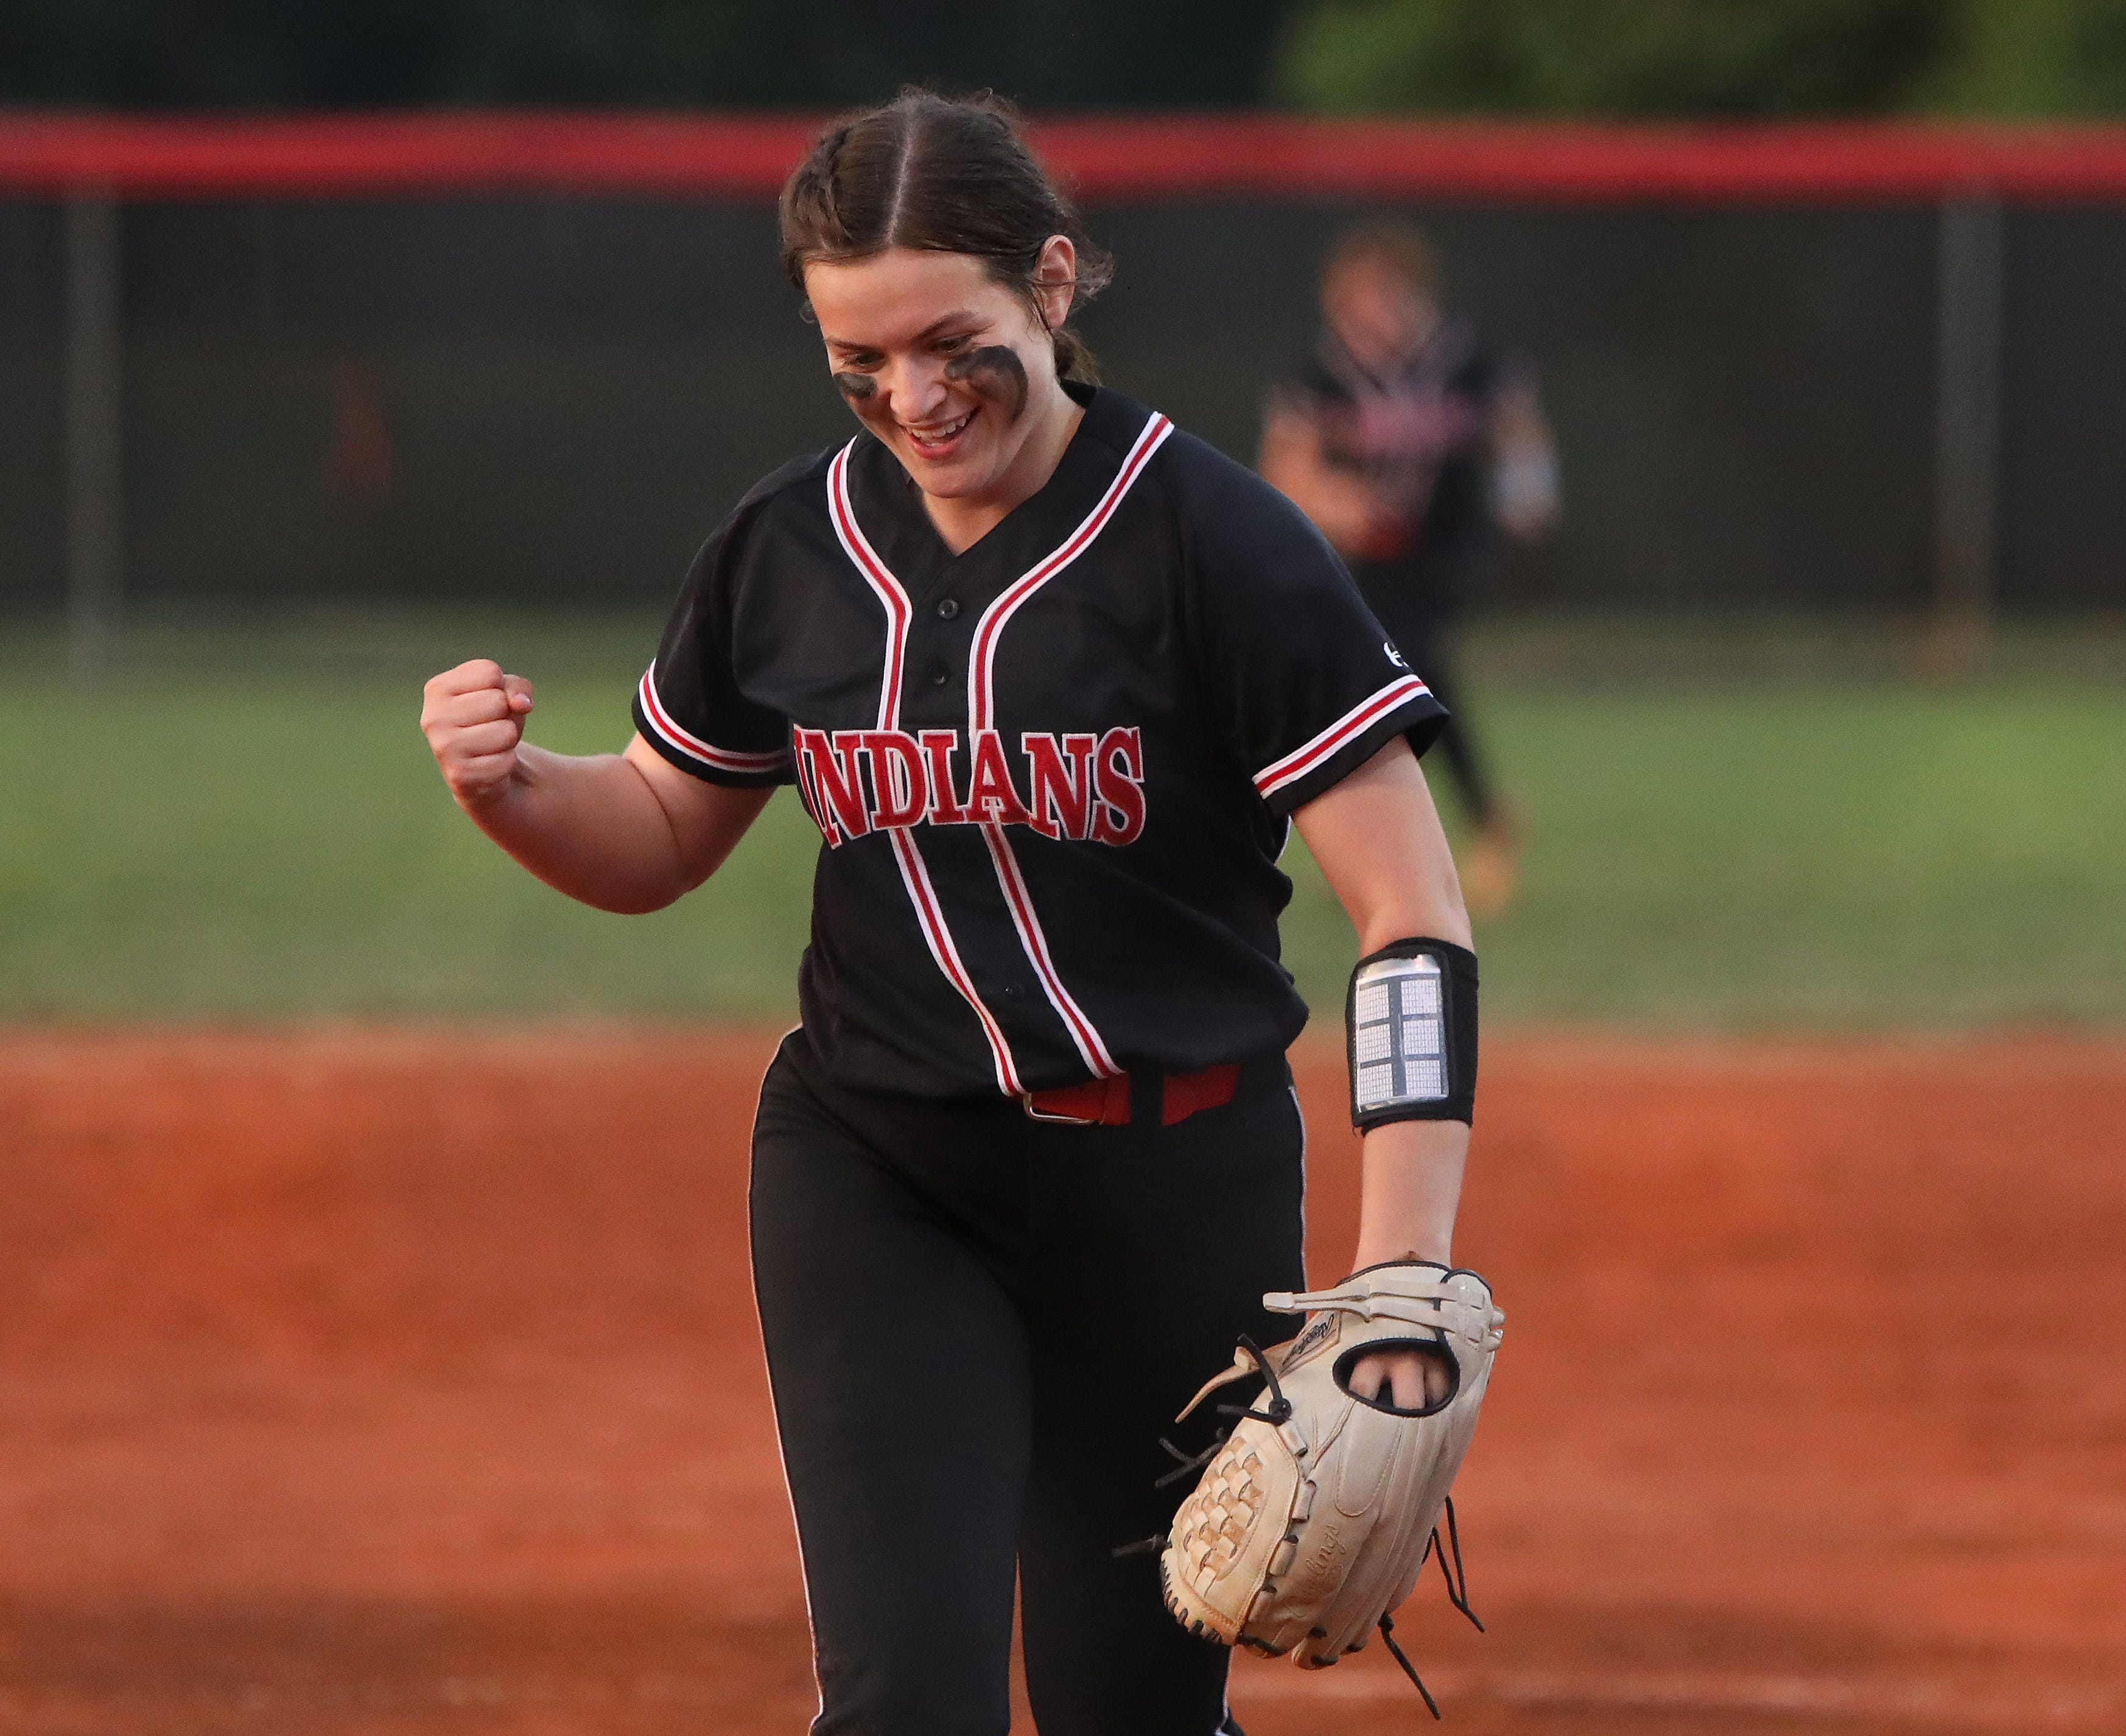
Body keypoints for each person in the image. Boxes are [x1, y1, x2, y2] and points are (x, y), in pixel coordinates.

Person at [419, 91, 1479, 1736]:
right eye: (858, 359)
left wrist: (1402, 1277)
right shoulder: (788, 547)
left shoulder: (1212, 543)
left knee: (1128, 1709)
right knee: (903, 1701)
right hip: (881, 1167)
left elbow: (1409, 913)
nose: (911, 395)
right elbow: (654, 829)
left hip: (1174, 1188)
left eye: (952, 340)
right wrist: (514, 787)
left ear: (1052, 284)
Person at [1261, 218, 1558, 919]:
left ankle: (1414, 839)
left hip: (1442, 549)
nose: (1366, 313)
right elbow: (1287, 470)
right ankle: (1479, 815)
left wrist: (1528, 496)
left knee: (1407, 665)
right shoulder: (1324, 372)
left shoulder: (1463, 358)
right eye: (1352, 298)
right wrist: (1340, 506)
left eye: (1379, 295)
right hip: (1361, 560)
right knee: (1392, 678)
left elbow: (1519, 427)